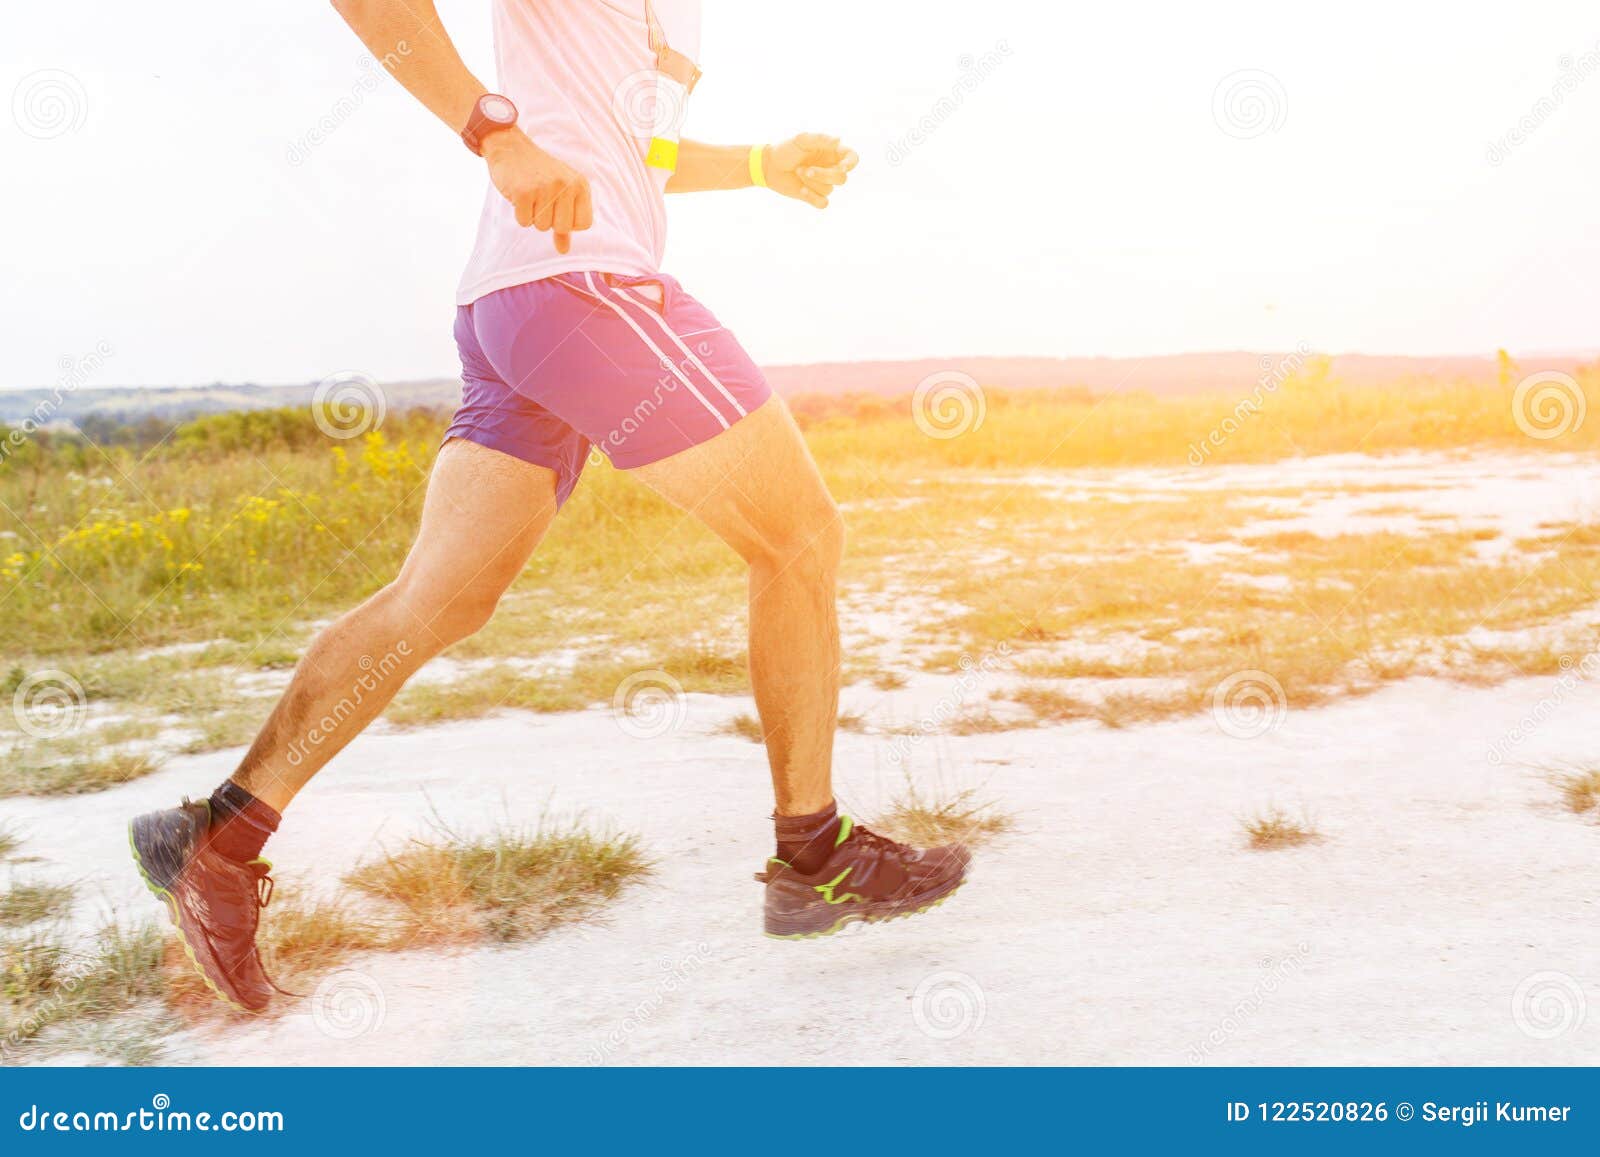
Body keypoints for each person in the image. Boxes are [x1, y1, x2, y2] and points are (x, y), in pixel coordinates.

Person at [128, 0, 968, 1013]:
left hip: (521, 303)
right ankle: (813, 854)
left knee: (437, 601)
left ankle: (219, 838)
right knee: (798, 539)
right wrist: (494, 133)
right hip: (582, 287)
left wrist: (757, 164)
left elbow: (635, 146)